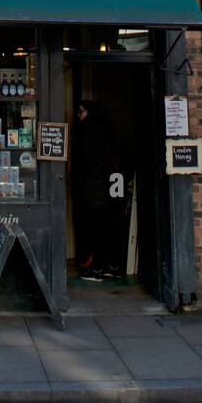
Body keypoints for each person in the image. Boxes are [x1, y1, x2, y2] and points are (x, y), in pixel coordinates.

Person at [71, 99, 126, 282]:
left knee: (95, 227)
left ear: (89, 113)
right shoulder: (109, 129)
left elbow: (86, 159)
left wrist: (80, 177)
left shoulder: (88, 130)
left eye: (81, 112)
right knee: (109, 225)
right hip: (111, 184)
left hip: (95, 185)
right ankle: (113, 266)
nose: (78, 116)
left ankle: (97, 269)